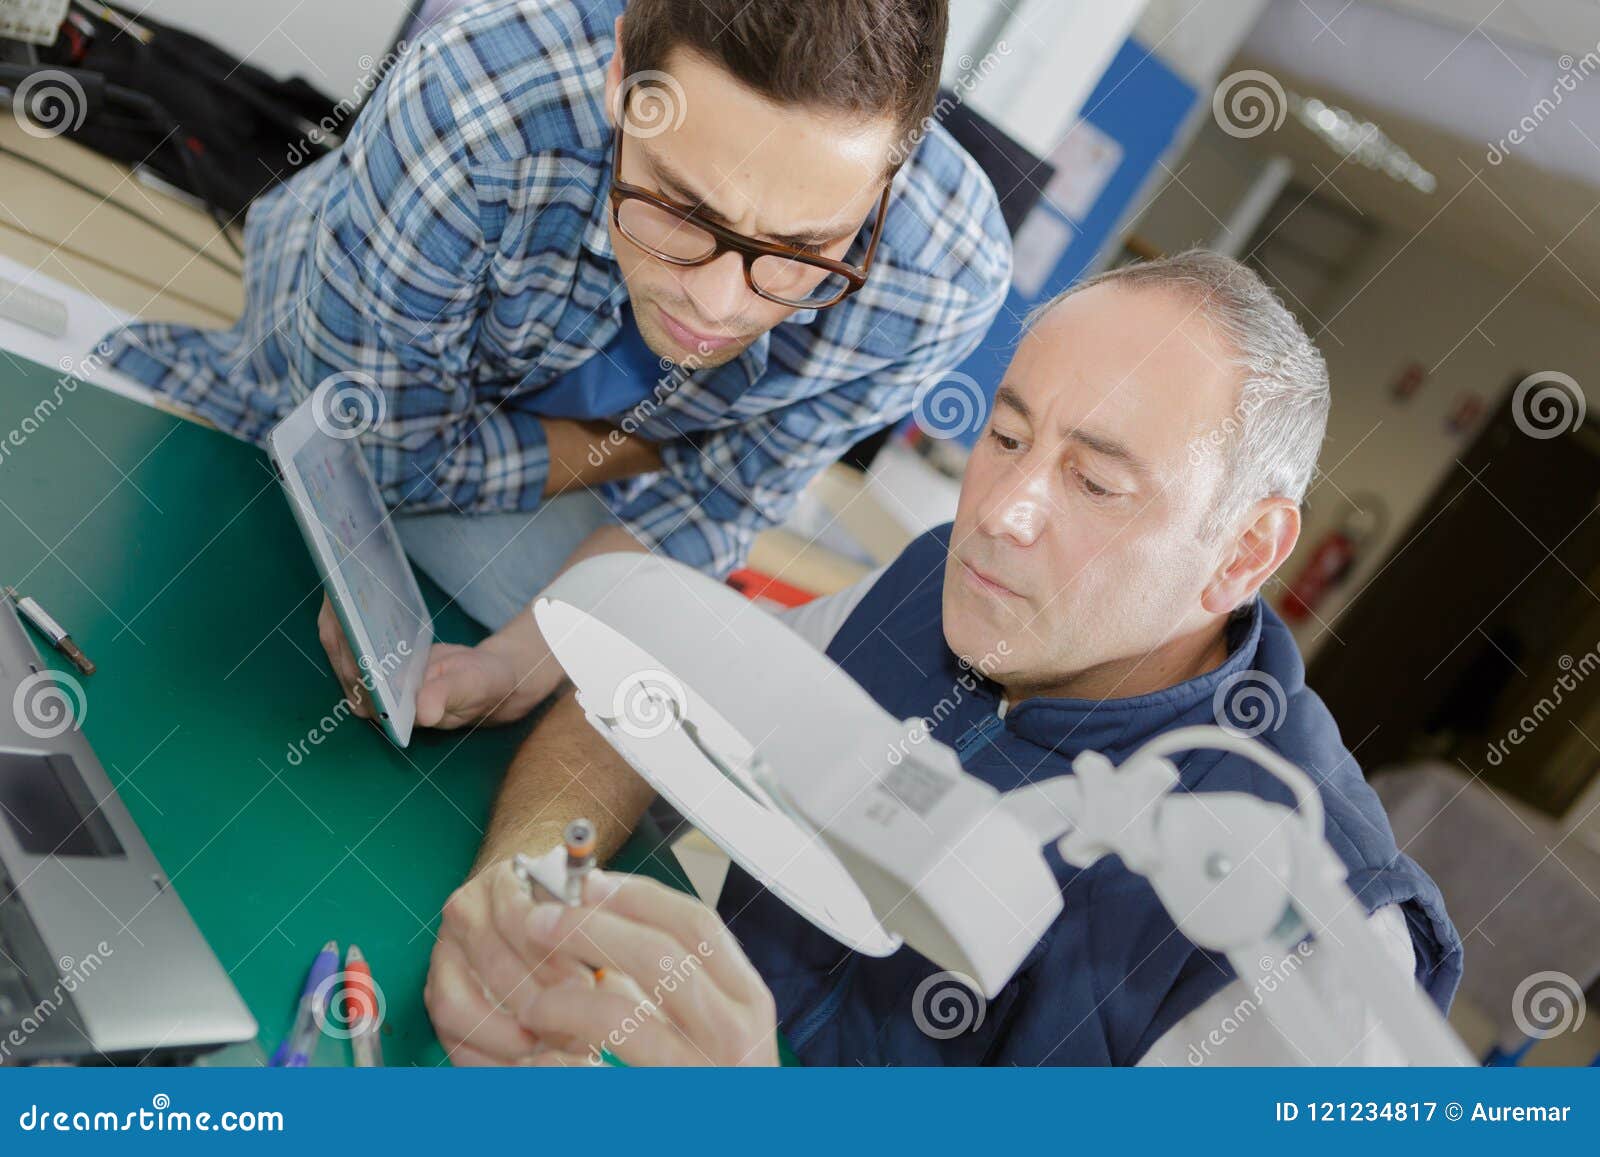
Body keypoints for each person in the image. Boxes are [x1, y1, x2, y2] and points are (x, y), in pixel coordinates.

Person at [421, 250, 1464, 1066]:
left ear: (1242, 551)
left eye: (1095, 486)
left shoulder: (1316, 936)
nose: (1001, 515)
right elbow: (643, 704)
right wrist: (529, 895)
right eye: (1007, 439)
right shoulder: (935, 592)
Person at [97, 0, 1010, 729]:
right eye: (684, 209)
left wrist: (521, 665)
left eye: (807, 248)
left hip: (531, 476)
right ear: (622, 78)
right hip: (304, 350)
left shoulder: (942, 280)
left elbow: (718, 507)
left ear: (894, 171)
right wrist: (646, 450)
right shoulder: (470, 102)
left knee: (616, 709)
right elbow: (380, 458)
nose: (722, 306)